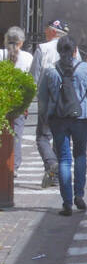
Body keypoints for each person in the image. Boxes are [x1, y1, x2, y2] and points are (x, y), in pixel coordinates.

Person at [38, 35, 87, 215]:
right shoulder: (85, 69)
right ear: (75, 50)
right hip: (81, 118)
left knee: (64, 159)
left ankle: (67, 203)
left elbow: (43, 100)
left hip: (58, 120)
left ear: (59, 51)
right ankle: (79, 195)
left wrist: (45, 119)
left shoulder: (49, 70)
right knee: (80, 156)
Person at [30, 19, 74, 188]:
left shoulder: (43, 48)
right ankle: (54, 177)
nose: (45, 33)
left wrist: (28, 101)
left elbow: (32, 77)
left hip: (46, 100)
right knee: (59, 137)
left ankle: (51, 164)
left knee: (42, 136)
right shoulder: (72, 50)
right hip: (66, 100)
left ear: (53, 32)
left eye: (47, 30)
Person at [3, 26, 34, 171]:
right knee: (16, 135)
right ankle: (13, 166)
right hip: (19, 101)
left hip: (2, 100)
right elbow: (30, 82)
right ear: (21, 42)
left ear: (6, 40)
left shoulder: (1, 55)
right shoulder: (28, 58)